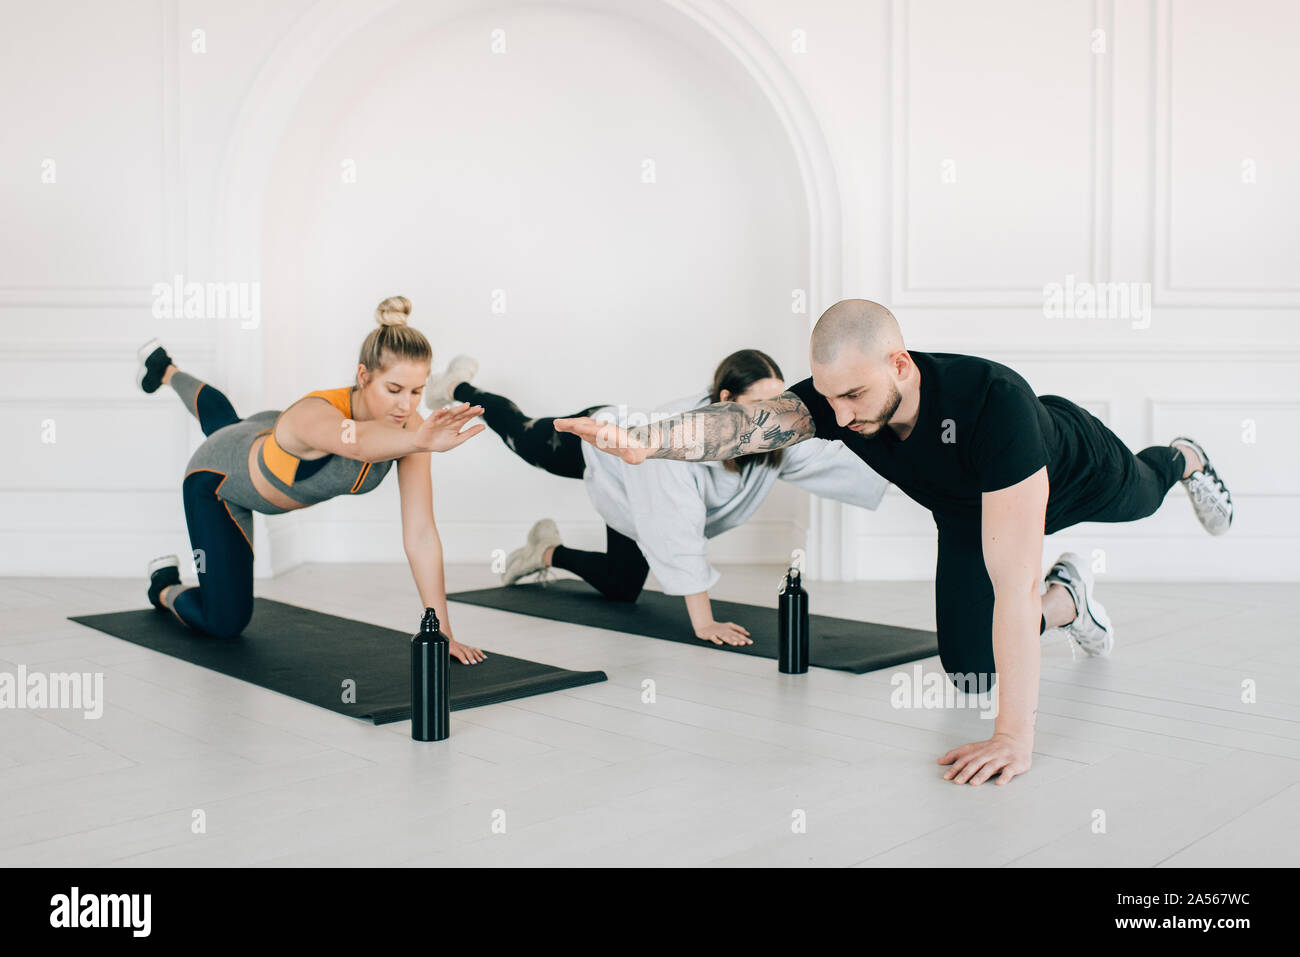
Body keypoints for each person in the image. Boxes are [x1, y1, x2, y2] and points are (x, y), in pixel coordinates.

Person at [554, 299, 1234, 786]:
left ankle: (1185, 456)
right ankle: (1071, 601)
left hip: (1064, 466)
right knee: (972, 667)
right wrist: (647, 439)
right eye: (830, 400)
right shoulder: (836, 397)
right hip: (969, 509)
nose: (842, 416)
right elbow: (743, 425)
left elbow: (1008, 584)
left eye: (853, 395)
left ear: (901, 364)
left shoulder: (993, 404)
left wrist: (1013, 737)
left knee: (1146, 494)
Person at [424, 348, 889, 645]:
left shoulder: (774, 435)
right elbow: (674, 526)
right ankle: (457, 387)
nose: (766, 419)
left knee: (623, 588)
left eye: (775, 406)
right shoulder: (680, 439)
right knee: (522, 434)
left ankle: (543, 550)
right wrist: (704, 623)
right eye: (756, 407)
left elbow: (835, 459)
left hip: (631, 497)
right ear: (725, 398)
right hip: (599, 445)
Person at [136, 296, 488, 664]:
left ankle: (165, 370)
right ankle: (163, 586)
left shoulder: (412, 429)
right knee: (225, 623)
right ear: (364, 376)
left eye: (417, 392)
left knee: (226, 423)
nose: (406, 406)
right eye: (394, 390)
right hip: (218, 479)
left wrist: (442, 632)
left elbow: (421, 534)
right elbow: (359, 443)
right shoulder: (317, 414)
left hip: (260, 434)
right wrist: (419, 441)